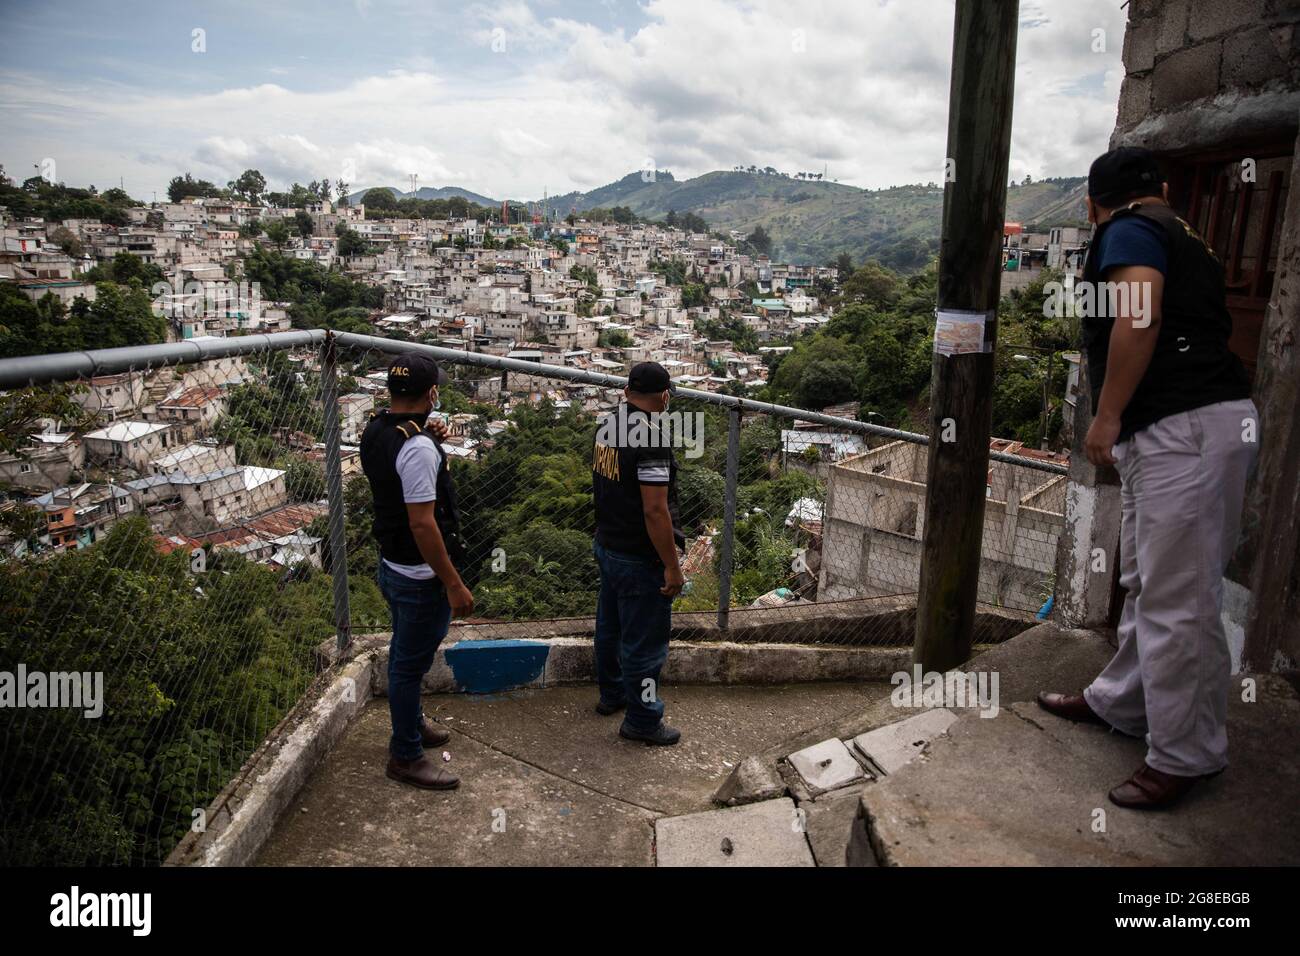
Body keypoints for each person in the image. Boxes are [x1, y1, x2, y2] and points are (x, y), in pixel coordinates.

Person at [1038, 146, 1258, 810]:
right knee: (1150, 583)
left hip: (1178, 429)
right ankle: (1122, 703)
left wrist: (1105, 417)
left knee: (1177, 599)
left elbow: (1138, 316)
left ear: (1091, 205)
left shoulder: (1128, 228)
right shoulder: (1181, 231)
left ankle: (1185, 755)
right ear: (1160, 188)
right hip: (1189, 427)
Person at [360, 352, 475, 789]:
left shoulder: (377, 429)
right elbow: (423, 523)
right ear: (432, 393)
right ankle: (405, 754)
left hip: (393, 563)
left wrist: (429, 436)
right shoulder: (417, 447)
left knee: (410, 655)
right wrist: (453, 583)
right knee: (408, 664)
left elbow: (399, 467)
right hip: (421, 575)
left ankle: (412, 724)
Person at [591, 361, 687, 746]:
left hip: (608, 544)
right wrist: (672, 567)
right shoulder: (651, 437)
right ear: (664, 396)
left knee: (610, 629)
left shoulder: (607, 424)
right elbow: (654, 510)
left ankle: (611, 695)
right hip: (638, 555)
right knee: (645, 646)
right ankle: (643, 720)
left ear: (628, 391)